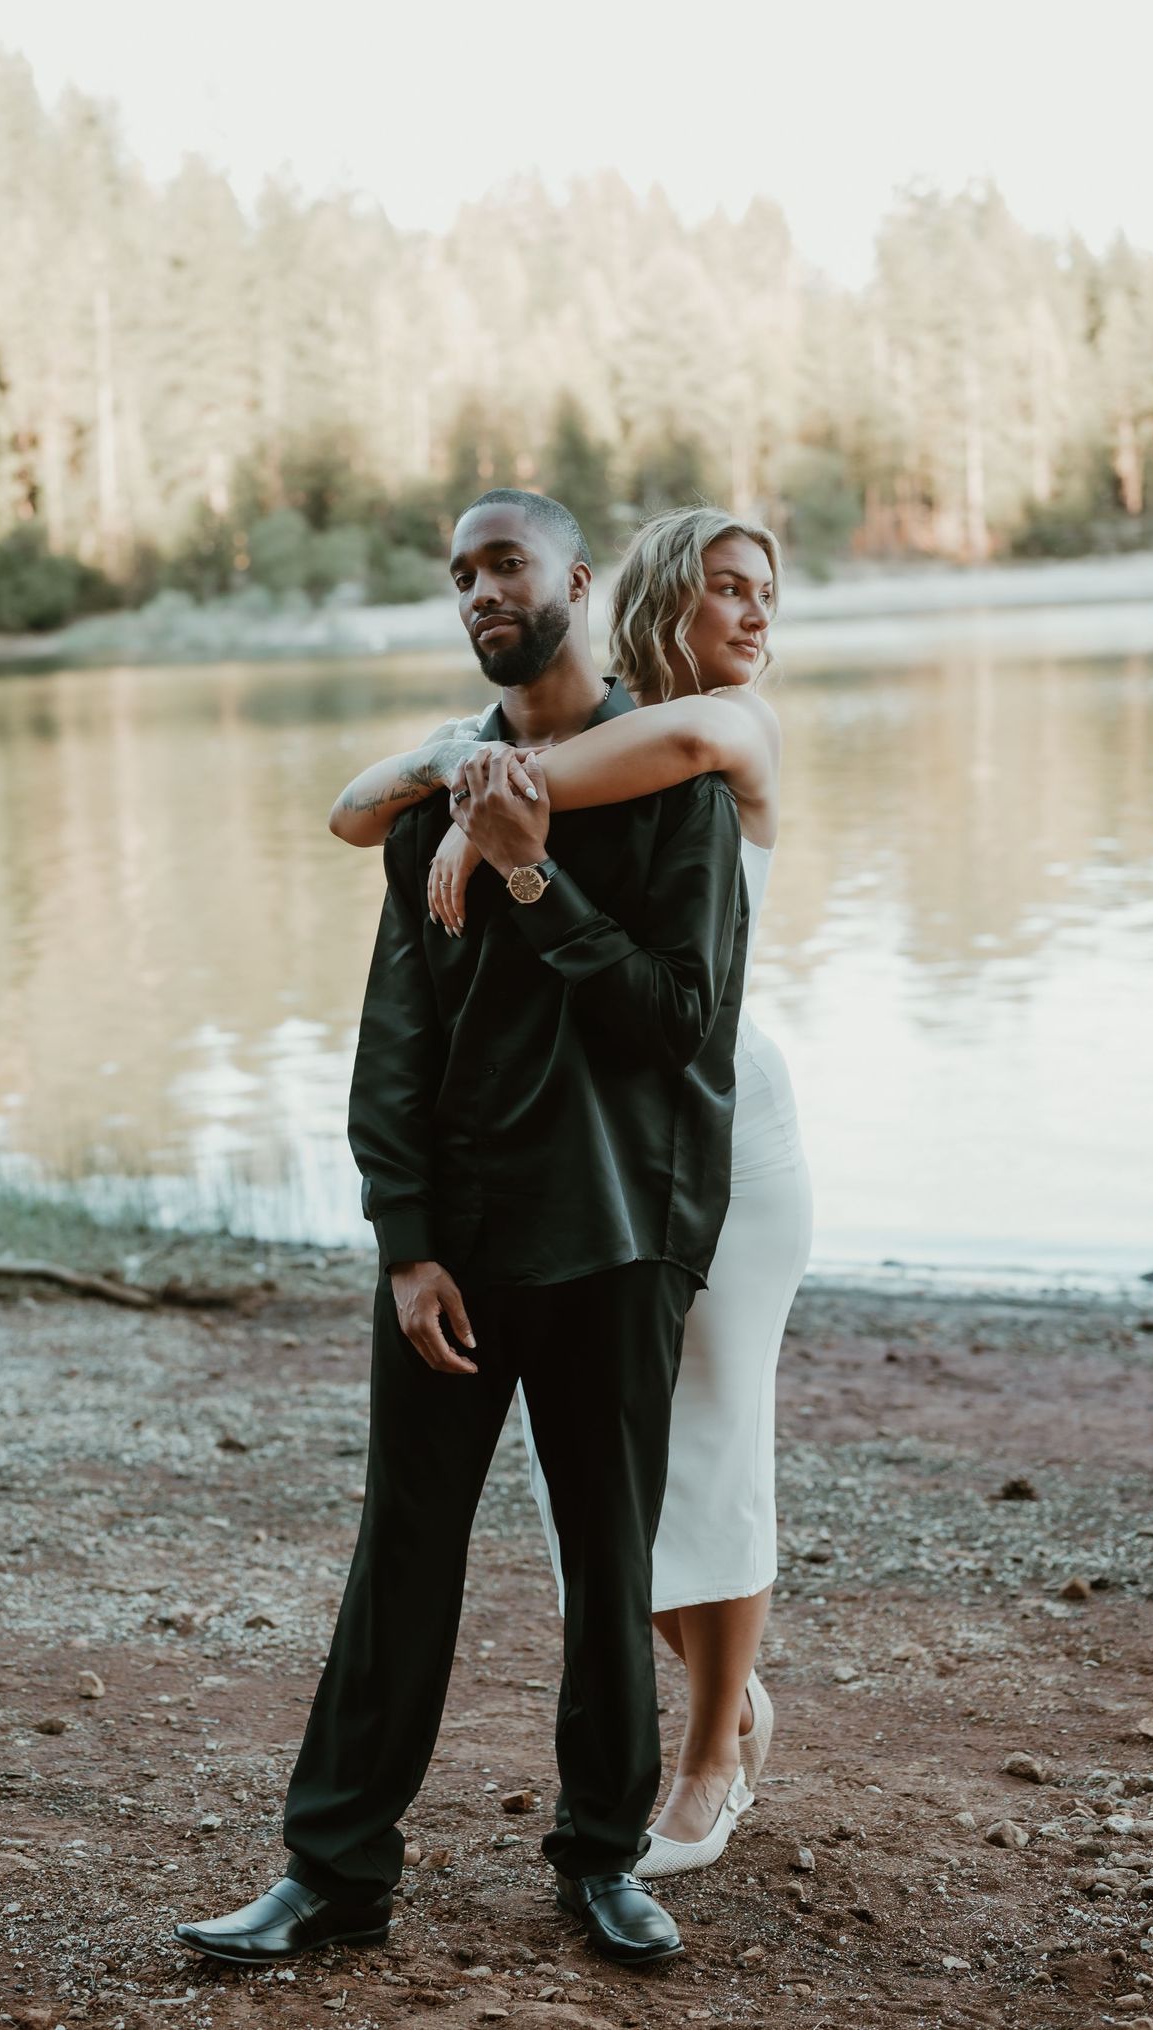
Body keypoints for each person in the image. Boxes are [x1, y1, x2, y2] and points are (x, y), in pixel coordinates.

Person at [175, 490, 749, 1971]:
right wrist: (402, 1233)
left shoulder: (677, 775)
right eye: (459, 573)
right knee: (404, 1553)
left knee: (610, 1561)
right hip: (460, 1246)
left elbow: (678, 1024)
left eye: (504, 562)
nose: (478, 589)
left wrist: (528, 872)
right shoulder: (444, 781)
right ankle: (333, 1870)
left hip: (620, 1235)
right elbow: (398, 1035)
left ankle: (603, 1860)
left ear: (575, 576)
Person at [327, 503, 811, 1877]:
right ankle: (714, 1704)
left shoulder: (717, 737)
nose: (755, 617)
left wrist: (488, 828)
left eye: (766, 592)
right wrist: (456, 766)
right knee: (604, 1496)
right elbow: (358, 810)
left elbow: (565, 785)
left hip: (721, 1131)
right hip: (601, 1143)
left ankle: (708, 1756)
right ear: (664, 600)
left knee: (705, 1458)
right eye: (726, 591)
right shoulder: (595, 741)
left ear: (585, 588)